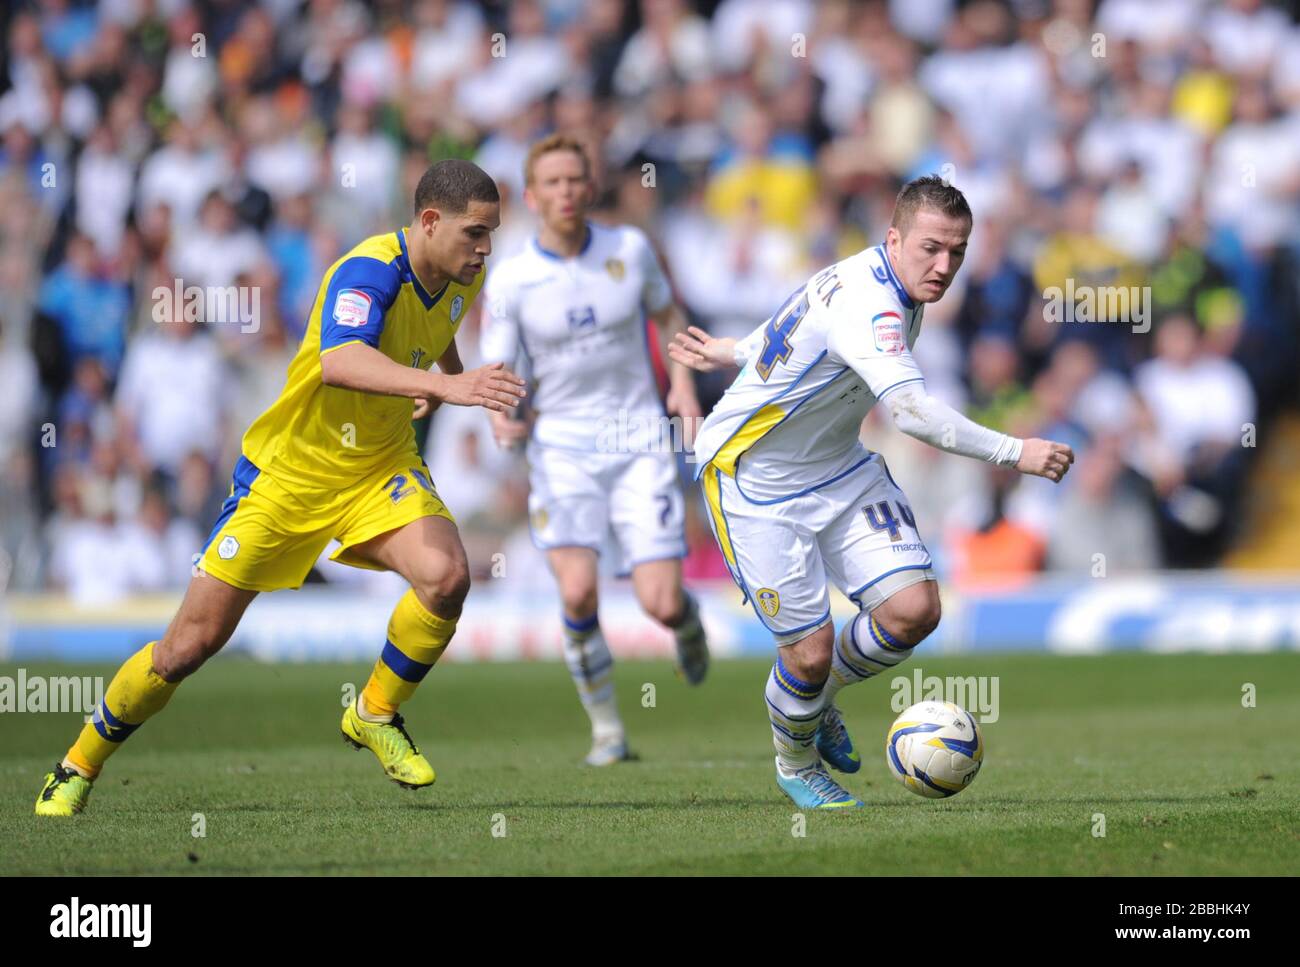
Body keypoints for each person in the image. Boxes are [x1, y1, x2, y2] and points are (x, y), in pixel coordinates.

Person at [35, 160, 527, 816]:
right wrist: (443, 387)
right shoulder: (367, 271)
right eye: (475, 232)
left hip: (378, 468)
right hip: (287, 478)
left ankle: (375, 711)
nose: (486, 247)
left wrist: (446, 380)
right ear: (430, 222)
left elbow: (433, 336)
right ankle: (78, 762)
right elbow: (339, 360)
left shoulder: (465, 274)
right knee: (188, 646)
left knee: (447, 575)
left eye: (491, 232)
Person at [670, 176, 1074, 808]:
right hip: (752, 479)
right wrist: (1015, 451)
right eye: (931, 249)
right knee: (806, 655)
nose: (944, 267)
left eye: (957, 253)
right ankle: (795, 761)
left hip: (837, 466)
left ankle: (815, 701)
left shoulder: (866, 273)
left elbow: (793, 321)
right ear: (895, 238)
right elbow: (910, 413)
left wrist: (735, 349)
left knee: (914, 610)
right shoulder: (874, 305)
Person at [480, 134, 709, 766]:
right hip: (562, 448)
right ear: (530, 196)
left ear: (589, 187)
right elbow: (496, 365)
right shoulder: (513, 279)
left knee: (658, 602)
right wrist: (502, 417)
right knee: (578, 593)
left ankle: (686, 624)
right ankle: (608, 730)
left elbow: (668, 315)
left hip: (637, 439)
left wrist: (683, 384)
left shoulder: (629, 251)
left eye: (574, 180)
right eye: (550, 183)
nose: (564, 193)